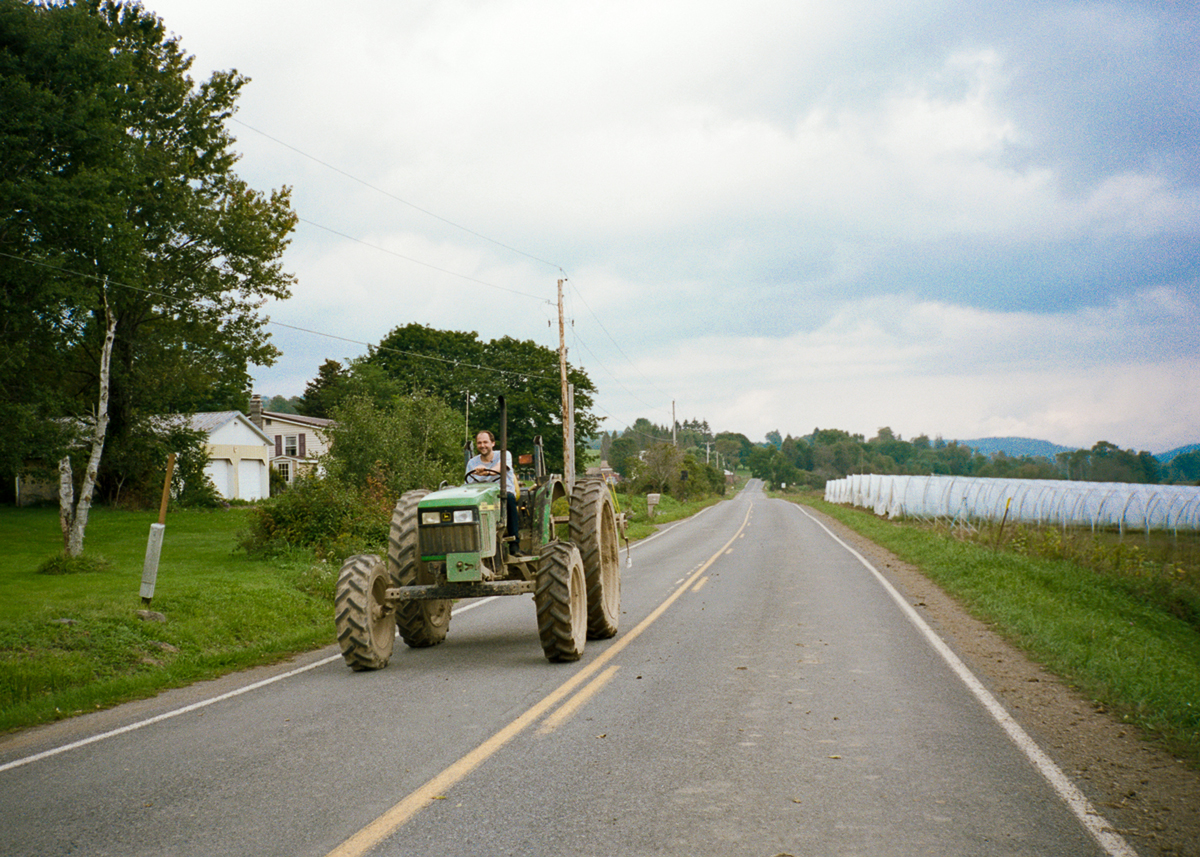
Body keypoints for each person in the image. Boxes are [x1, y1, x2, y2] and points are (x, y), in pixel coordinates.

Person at [465, 429, 519, 541]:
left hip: (501, 494)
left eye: (485, 442)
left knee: (508, 499)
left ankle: (514, 543)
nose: (482, 445)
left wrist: (487, 471)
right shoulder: (472, 463)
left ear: (492, 443)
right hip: (481, 496)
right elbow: (468, 484)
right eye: (479, 443)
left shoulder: (504, 455)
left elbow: (501, 467)